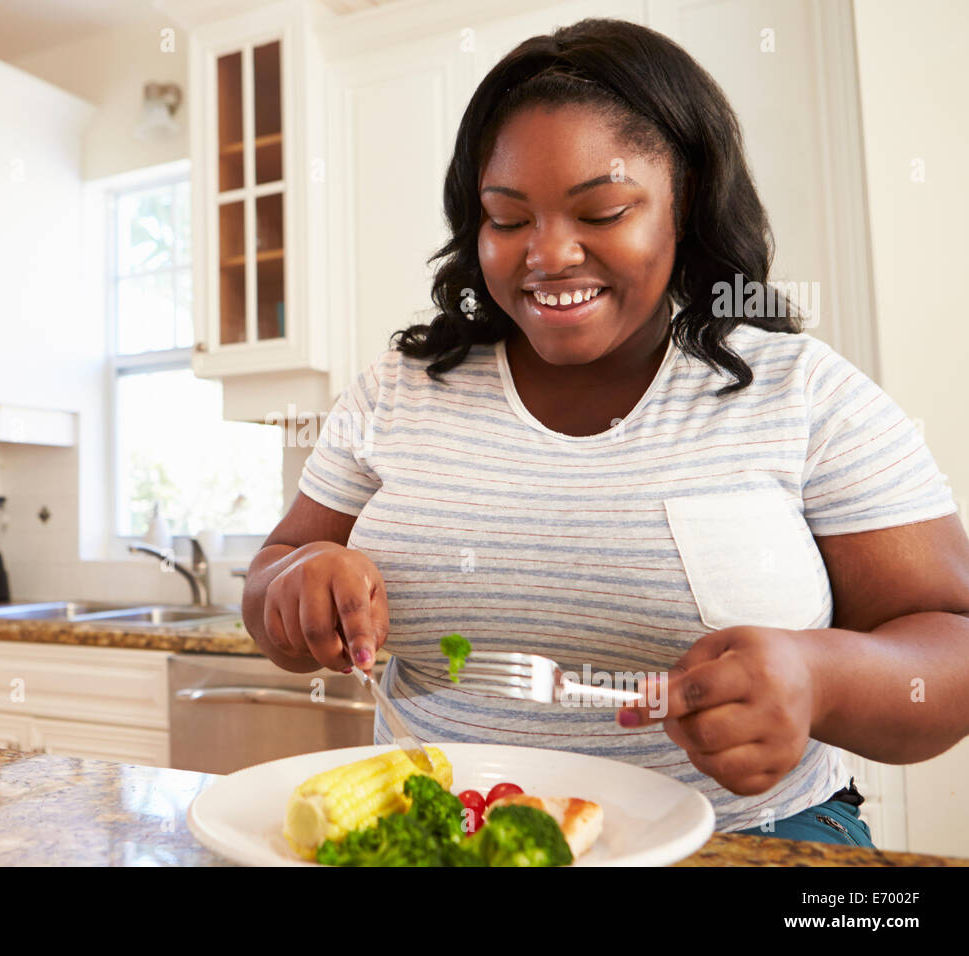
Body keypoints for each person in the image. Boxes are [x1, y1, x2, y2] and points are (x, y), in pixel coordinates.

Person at [241, 18, 969, 846]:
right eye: (507, 220)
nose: (547, 256)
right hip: (449, 840)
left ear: (684, 204)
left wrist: (821, 680)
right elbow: (270, 582)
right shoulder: (395, 393)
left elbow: (950, 651)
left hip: (752, 842)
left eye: (604, 210)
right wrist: (295, 582)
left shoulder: (803, 393)